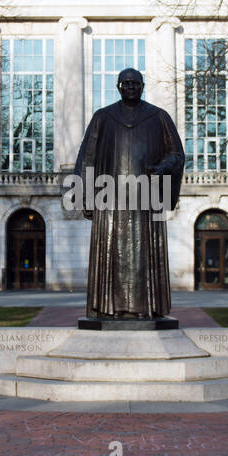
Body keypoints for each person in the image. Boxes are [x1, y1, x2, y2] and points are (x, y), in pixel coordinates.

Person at [73, 68, 185, 319]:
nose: (131, 87)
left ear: (143, 86)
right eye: (126, 83)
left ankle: (148, 308)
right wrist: (85, 195)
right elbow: (87, 157)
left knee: (146, 253)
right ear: (119, 86)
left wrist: (163, 167)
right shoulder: (103, 117)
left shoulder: (158, 117)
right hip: (109, 199)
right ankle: (107, 307)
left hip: (146, 198)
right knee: (111, 253)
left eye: (136, 83)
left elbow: (176, 154)